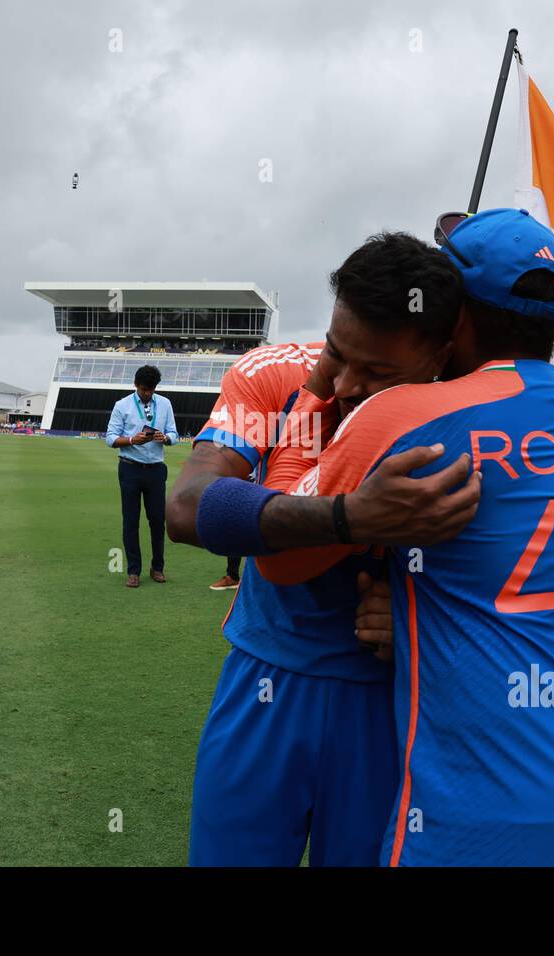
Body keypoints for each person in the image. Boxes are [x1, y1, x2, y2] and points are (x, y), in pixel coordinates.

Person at [252, 209, 554, 865]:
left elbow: (278, 555)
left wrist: (318, 386)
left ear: (452, 313)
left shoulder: (403, 413)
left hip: (491, 810)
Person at [166, 234, 478, 865]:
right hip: (263, 678)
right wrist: (346, 516)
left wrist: (422, 618)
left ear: (440, 356)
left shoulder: (470, 406)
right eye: (338, 352)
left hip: (391, 696)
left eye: (379, 374)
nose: (346, 384)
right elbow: (186, 507)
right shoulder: (271, 374)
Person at [105, 365, 178, 587]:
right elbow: (110, 438)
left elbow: (175, 434)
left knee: (157, 521)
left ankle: (158, 568)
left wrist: (164, 438)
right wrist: (130, 440)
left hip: (156, 469)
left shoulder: (164, 403)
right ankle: (133, 571)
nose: (148, 393)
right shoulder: (122, 405)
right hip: (130, 468)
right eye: (145, 389)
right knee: (131, 521)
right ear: (136, 385)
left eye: (152, 390)